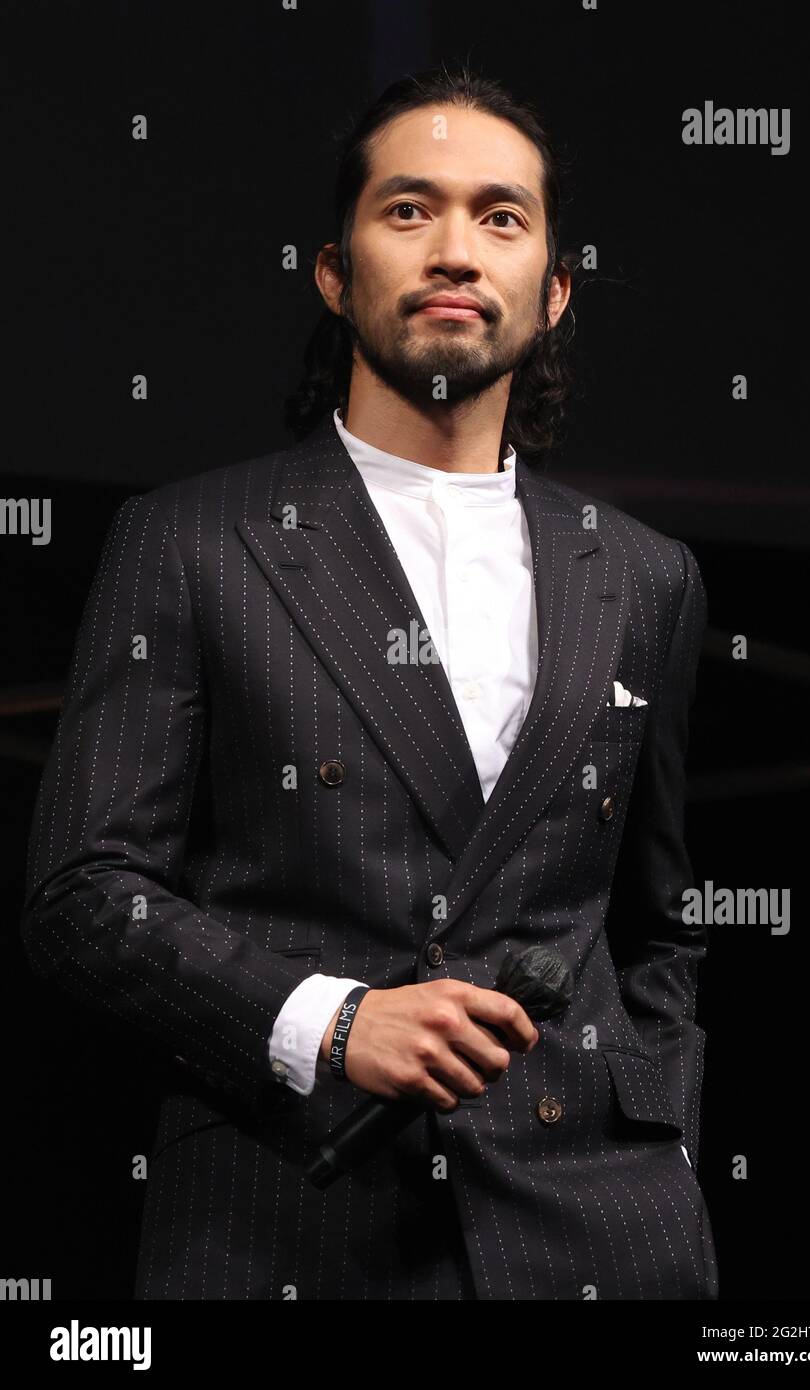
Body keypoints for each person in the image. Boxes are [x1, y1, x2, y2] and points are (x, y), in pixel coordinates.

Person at [20, 63, 718, 1300]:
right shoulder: (186, 540)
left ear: (553, 291)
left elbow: (658, 925)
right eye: (410, 209)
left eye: (500, 216)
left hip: (605, 1239)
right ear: (335, 275)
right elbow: (83, 893)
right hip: (285, 1215)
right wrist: (331, 1021)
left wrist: (655, 1138)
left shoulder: (649, 578)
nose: (457, 247)